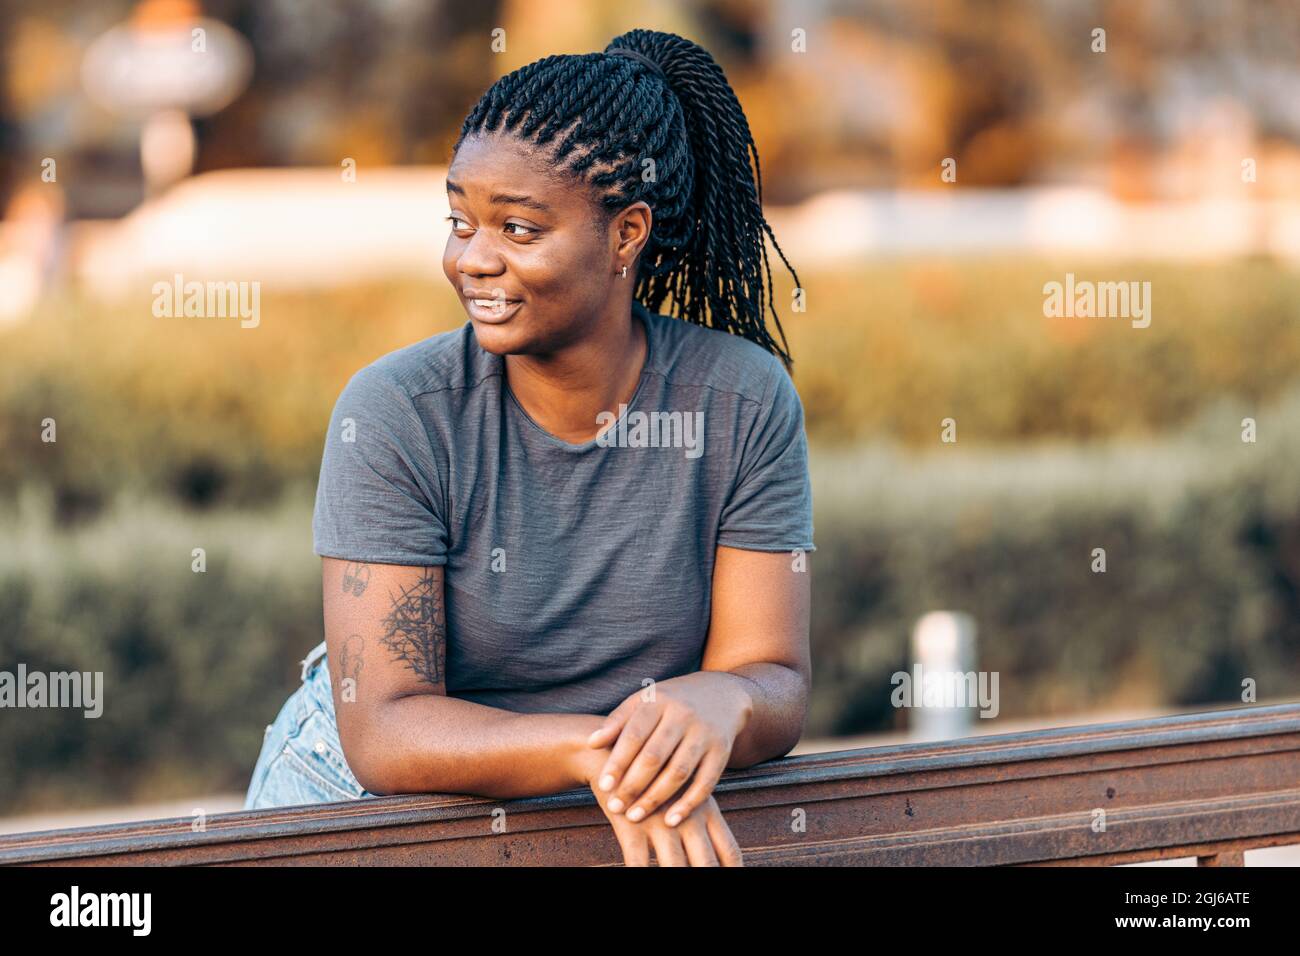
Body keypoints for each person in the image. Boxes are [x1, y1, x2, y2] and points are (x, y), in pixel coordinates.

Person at [243, 27, 814, 867]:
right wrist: (606, 752)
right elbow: (387, 725)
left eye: (517, 228)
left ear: (627, 235)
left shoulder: (741, 400)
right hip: (359, 804)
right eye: (460, 220)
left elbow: (773, 675)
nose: (471, 259)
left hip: (601, 804)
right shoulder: (399, 413)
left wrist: (722, 701)